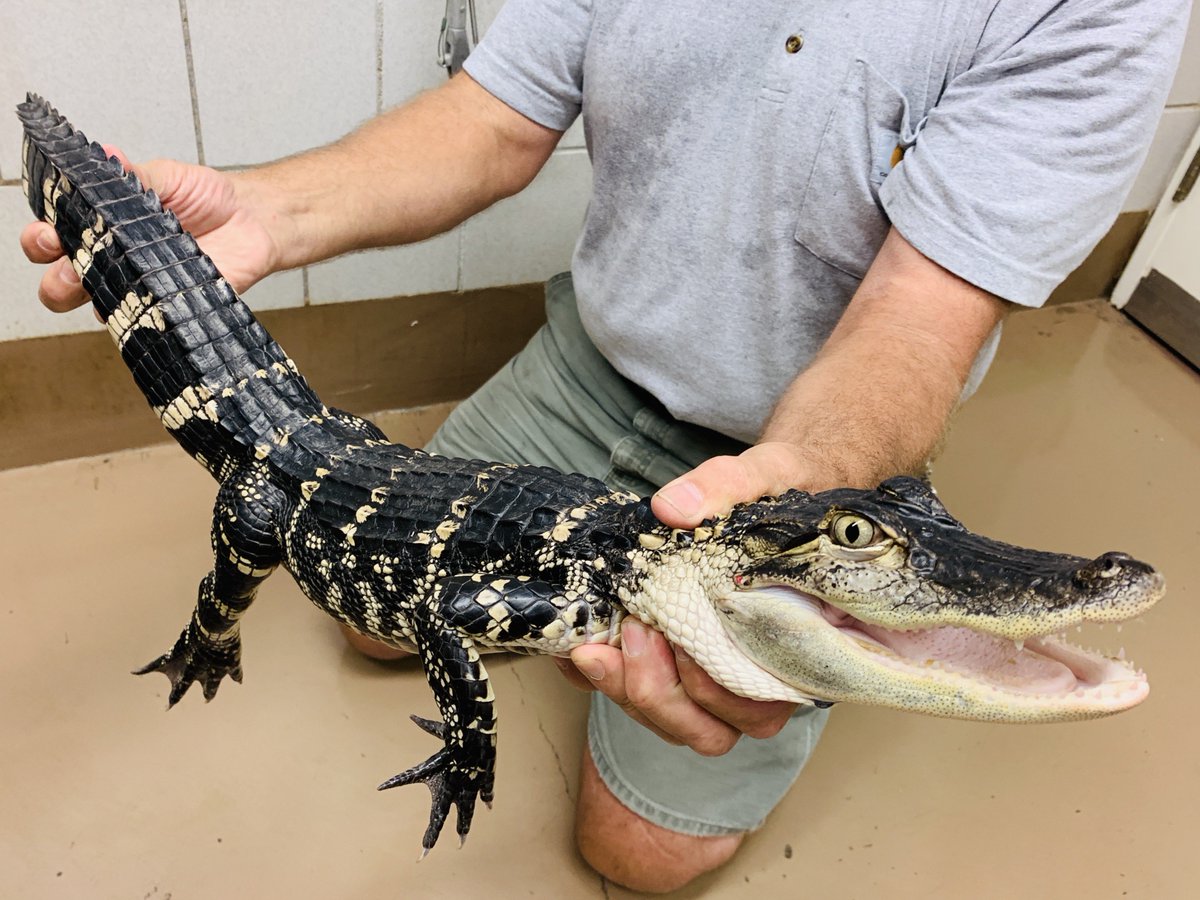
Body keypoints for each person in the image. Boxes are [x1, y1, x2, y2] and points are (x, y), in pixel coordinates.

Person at [21, 0, 1186, 892]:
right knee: (369, 618)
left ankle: (847, 531)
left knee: (641, 858)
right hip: (592, 360)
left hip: (807, 449)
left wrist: (834, 495)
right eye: (855, 540)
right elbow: (492, 118)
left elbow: (923, 315)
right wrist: (264, 212)